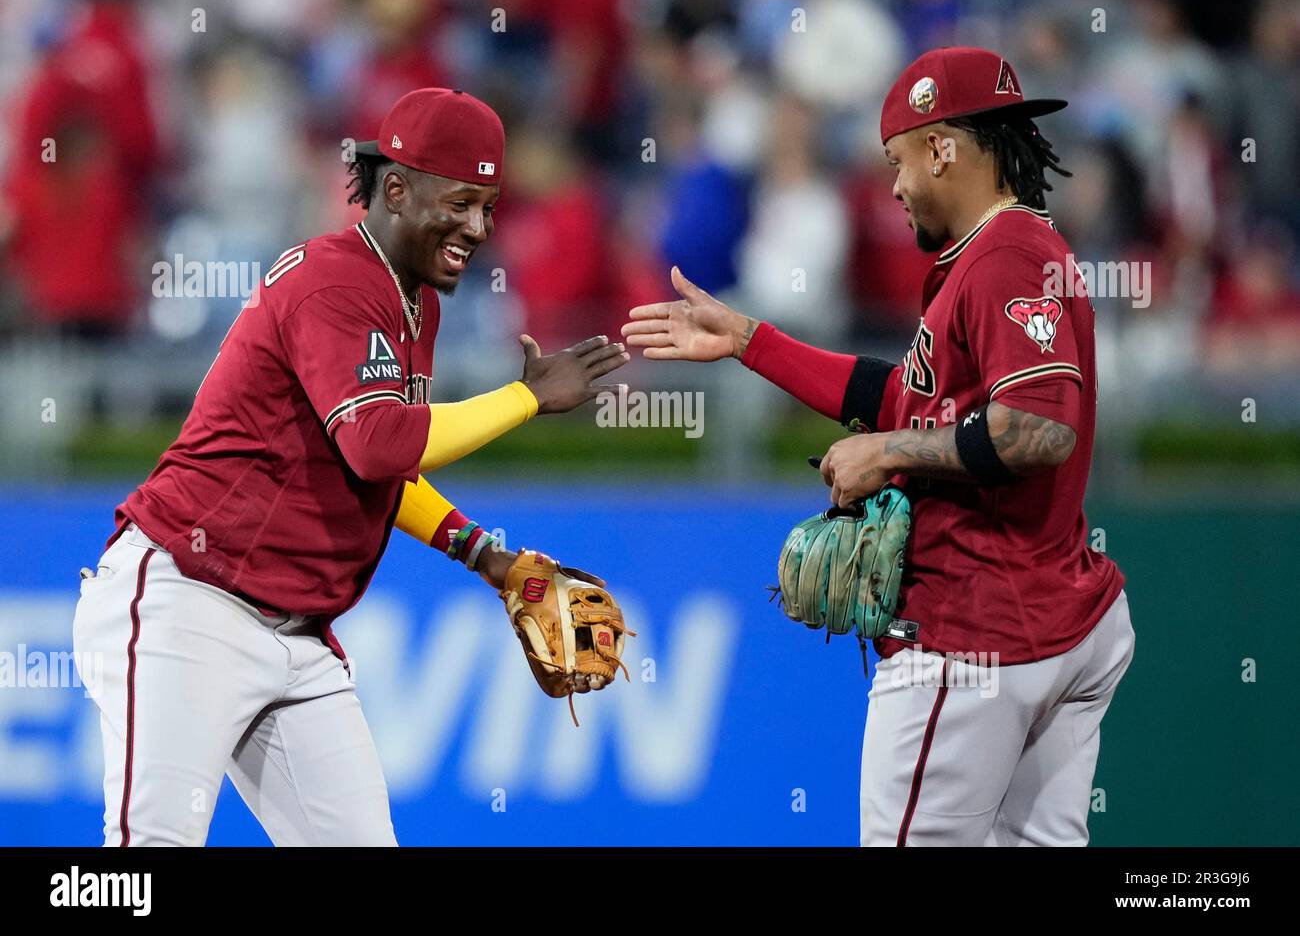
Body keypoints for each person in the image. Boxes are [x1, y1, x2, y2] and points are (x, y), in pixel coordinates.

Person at [73, 87, 628, 846]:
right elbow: (379, 442)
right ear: (396, 189)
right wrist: (526, 399)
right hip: (189, 600)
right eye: (462, 202)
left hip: (296, 636)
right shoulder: (335, 281)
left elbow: (376, 469)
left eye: (490, 207)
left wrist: (484, 555)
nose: (478, 226)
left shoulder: (416, 303)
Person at [623, 48, 1134, 846]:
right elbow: (906, 398)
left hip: (976, 632)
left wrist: (890, 453)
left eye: (899, 159)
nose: (894, 185)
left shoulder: (1006, 255)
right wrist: (751, 341)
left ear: (943, 148)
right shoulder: (997, 256)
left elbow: (1039, 428)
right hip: (1054, 623)